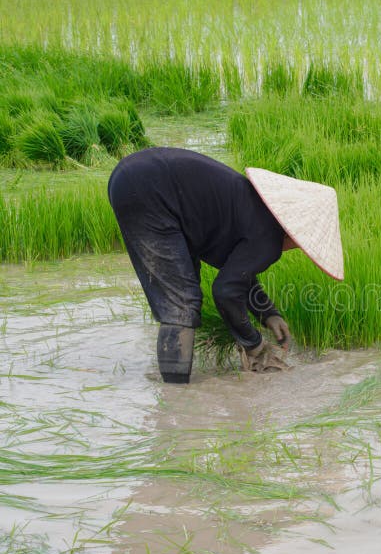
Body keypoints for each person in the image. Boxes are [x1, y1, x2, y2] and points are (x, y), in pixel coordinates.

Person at [107, 147, 344, 383]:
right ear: (296, 233)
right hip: (149, 190)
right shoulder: (269, 238)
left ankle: (175, 389)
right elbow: (226, 291)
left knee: (185, 287)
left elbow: (238, 275)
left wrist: (268, 313)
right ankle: (175, 400)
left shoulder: (255, 210)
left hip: (135, 177)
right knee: (180, 302)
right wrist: (254, 344)